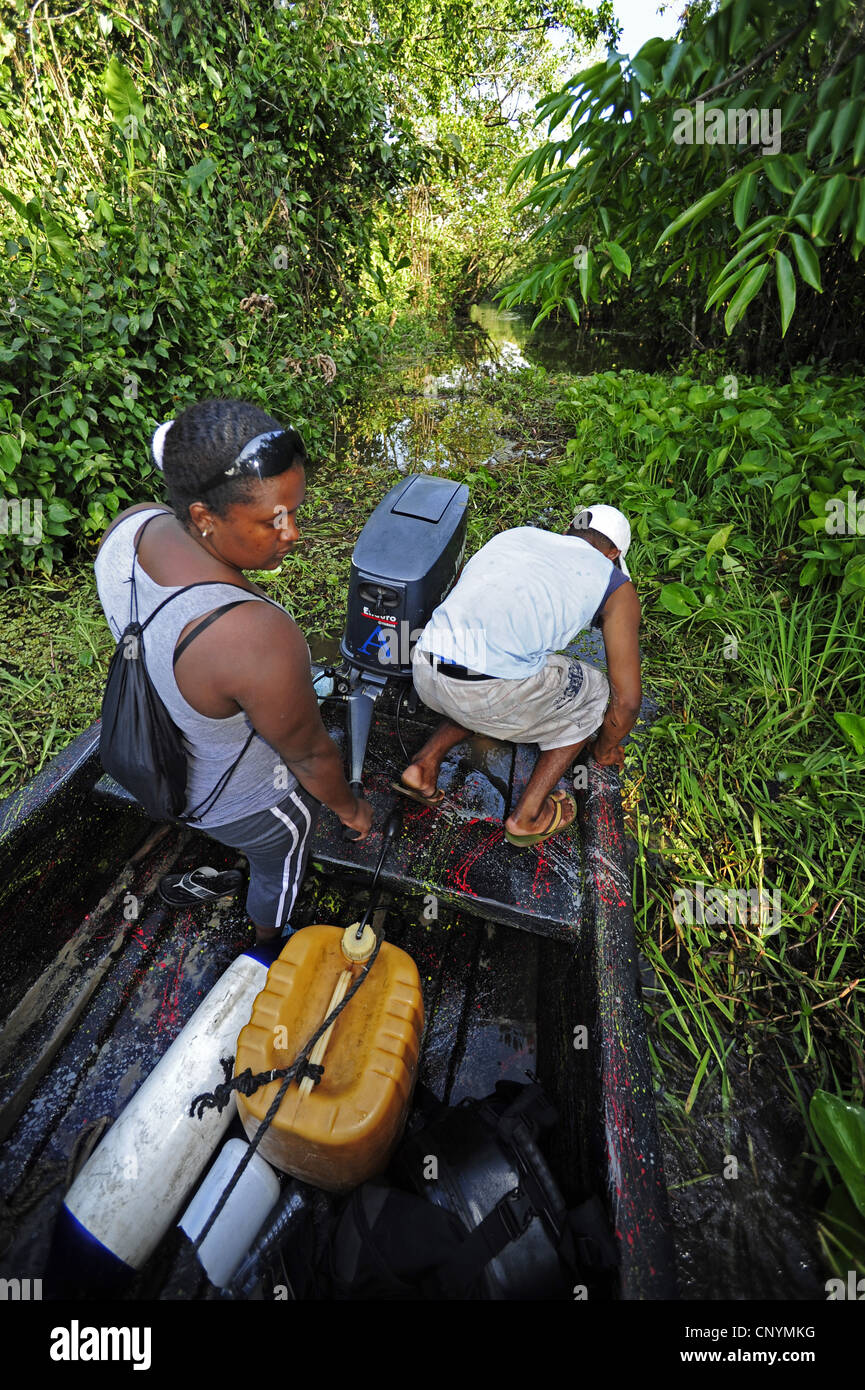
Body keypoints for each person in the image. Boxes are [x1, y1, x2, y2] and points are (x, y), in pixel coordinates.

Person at [94, 398, 373, 950]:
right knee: (284, 853)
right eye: (272, 519)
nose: (292, 533)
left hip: (153, 760)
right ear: (203, 516)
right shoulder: (253, 636)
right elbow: (310, 755)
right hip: (238, 804)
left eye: (295, 509)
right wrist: (352, 810)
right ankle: (269, 938)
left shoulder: (129, 528)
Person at [394, 505, 641, 847]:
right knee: (596, 689)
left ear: (570, 529)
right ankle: (527, 816)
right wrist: (605, 749)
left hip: (424, 664)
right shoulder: (616, 584)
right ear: (613, 553)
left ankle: (422, 766)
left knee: (501, 663)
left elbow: (461, 597)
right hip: (489, 692)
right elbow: (627, 701)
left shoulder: (516, 536)